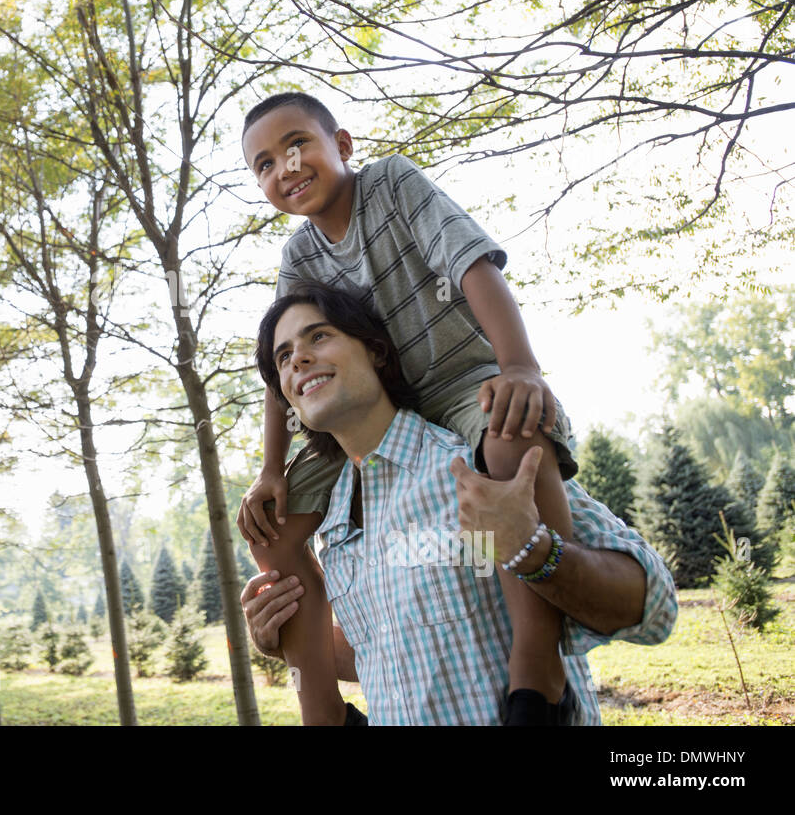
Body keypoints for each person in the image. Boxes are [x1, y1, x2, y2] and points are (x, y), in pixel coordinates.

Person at [240, 91, 581, 724]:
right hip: (382, 400)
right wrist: (270, 469)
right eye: (262, 164)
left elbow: (472, 262)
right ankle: (323, 708)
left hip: (459, 380)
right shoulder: (299, 255)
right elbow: (278, 356)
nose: (283, 168)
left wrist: (520, 368)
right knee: (273, 526)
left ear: (341, 145)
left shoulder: (392, 185)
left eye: (296, 146)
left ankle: (538, 670)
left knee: (508, 438)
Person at [242, 284, 677, 723]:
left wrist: (535, 551)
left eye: (319, 336)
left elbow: (654, 606)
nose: (298, 358)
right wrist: (287, 639)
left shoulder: (477, 463)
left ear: (376, 352)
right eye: (283, 357)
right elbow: (395, 654)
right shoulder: (330, 527)